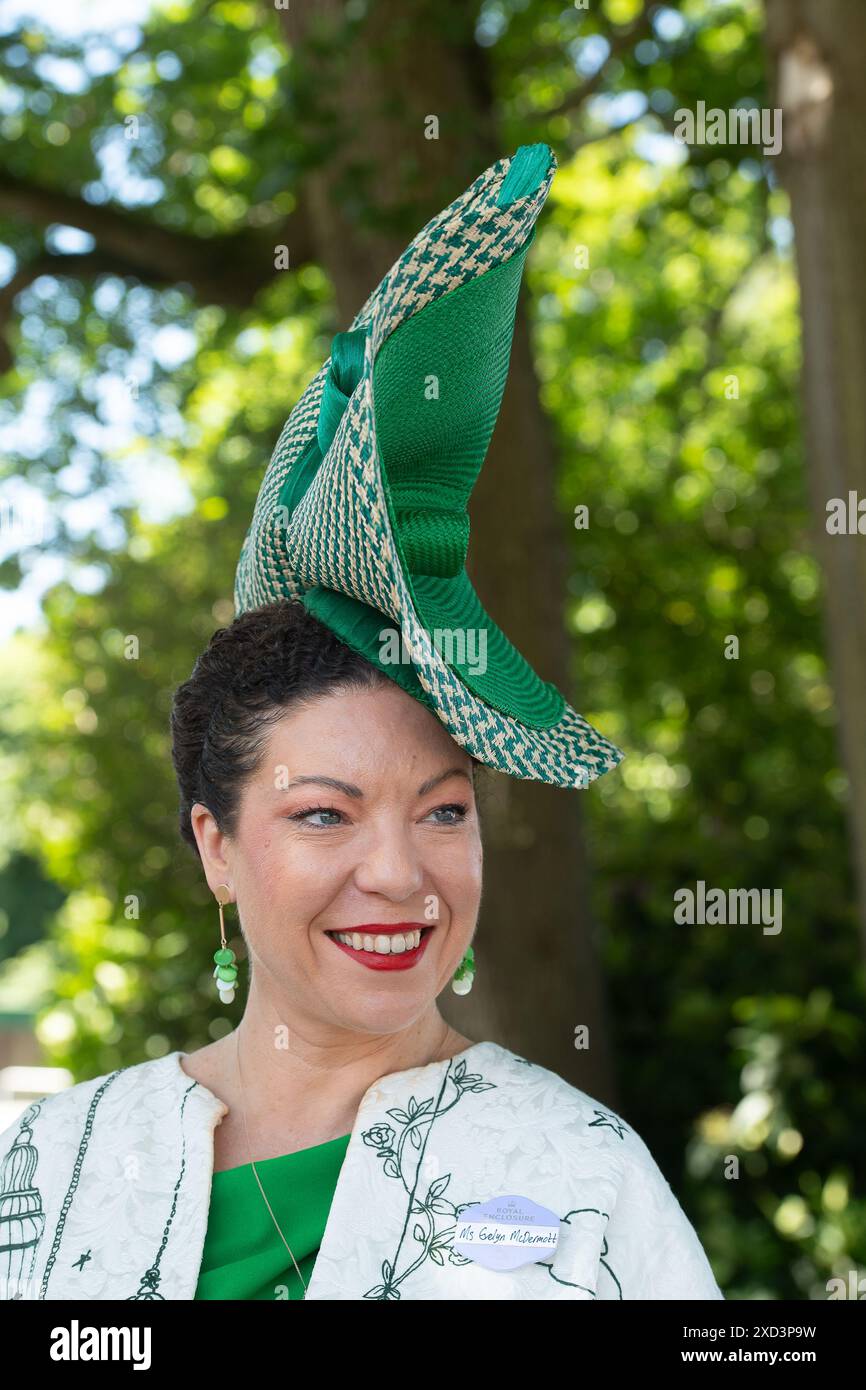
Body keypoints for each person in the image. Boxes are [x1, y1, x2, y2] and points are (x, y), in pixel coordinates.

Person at [0, 143, 723, 1302]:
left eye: (442, 808)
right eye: (325, 813)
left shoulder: (586, 1182)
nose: (399, 873)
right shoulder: (50, 1167)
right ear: (216, 847)